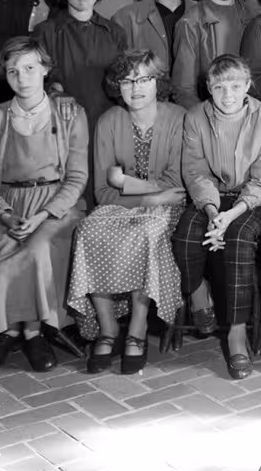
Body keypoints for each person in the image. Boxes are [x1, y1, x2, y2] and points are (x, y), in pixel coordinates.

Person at [0, 37, 87, 371]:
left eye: (30, 68)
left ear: (45, 70)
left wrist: (40, 217)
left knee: (33, 250)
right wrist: (5, 216)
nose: (22, 78)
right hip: (6, 203)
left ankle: (33, 333)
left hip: (55, 204)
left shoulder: (70, 113)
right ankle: (7, 331)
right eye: (13, 71)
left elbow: (77, 179)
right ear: (4, 76)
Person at [68, 51, 186, 374]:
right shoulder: (108, 121)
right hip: (119, 208)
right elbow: (104, 192)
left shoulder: (178, 118)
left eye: (144, 79)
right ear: (117, 86)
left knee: (145, 233)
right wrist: (144, 194)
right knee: (87, 231)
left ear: (158, 82)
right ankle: (108, 327)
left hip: (167, 211)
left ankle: (137, 327)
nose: (136, 88)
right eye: (127, 80)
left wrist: (126, 183)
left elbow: (176, 188)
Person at [175, 54, 261, 379]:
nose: (228, 94)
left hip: (252, 200)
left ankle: (235, 334)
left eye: (235, 86)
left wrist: (230, 215)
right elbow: (194, 171)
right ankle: (198, 297)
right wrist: (211, 210)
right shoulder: (195, 117)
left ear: (248, 86)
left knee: (237, 242)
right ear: (208, 88)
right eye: (219, 87)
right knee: (186, 235)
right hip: (211, 197)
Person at [32, 0, 127, 135]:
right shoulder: (45, 32)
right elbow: (36, 82)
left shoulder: (115, 32)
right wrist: (55, 93)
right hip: (63, 128)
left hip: (109, 128)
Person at [171, 0, 257, 108]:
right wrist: (203, 120)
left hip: (249, 110)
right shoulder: (190, 22)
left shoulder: (252, 16)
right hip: (209, 111)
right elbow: (183, 87)